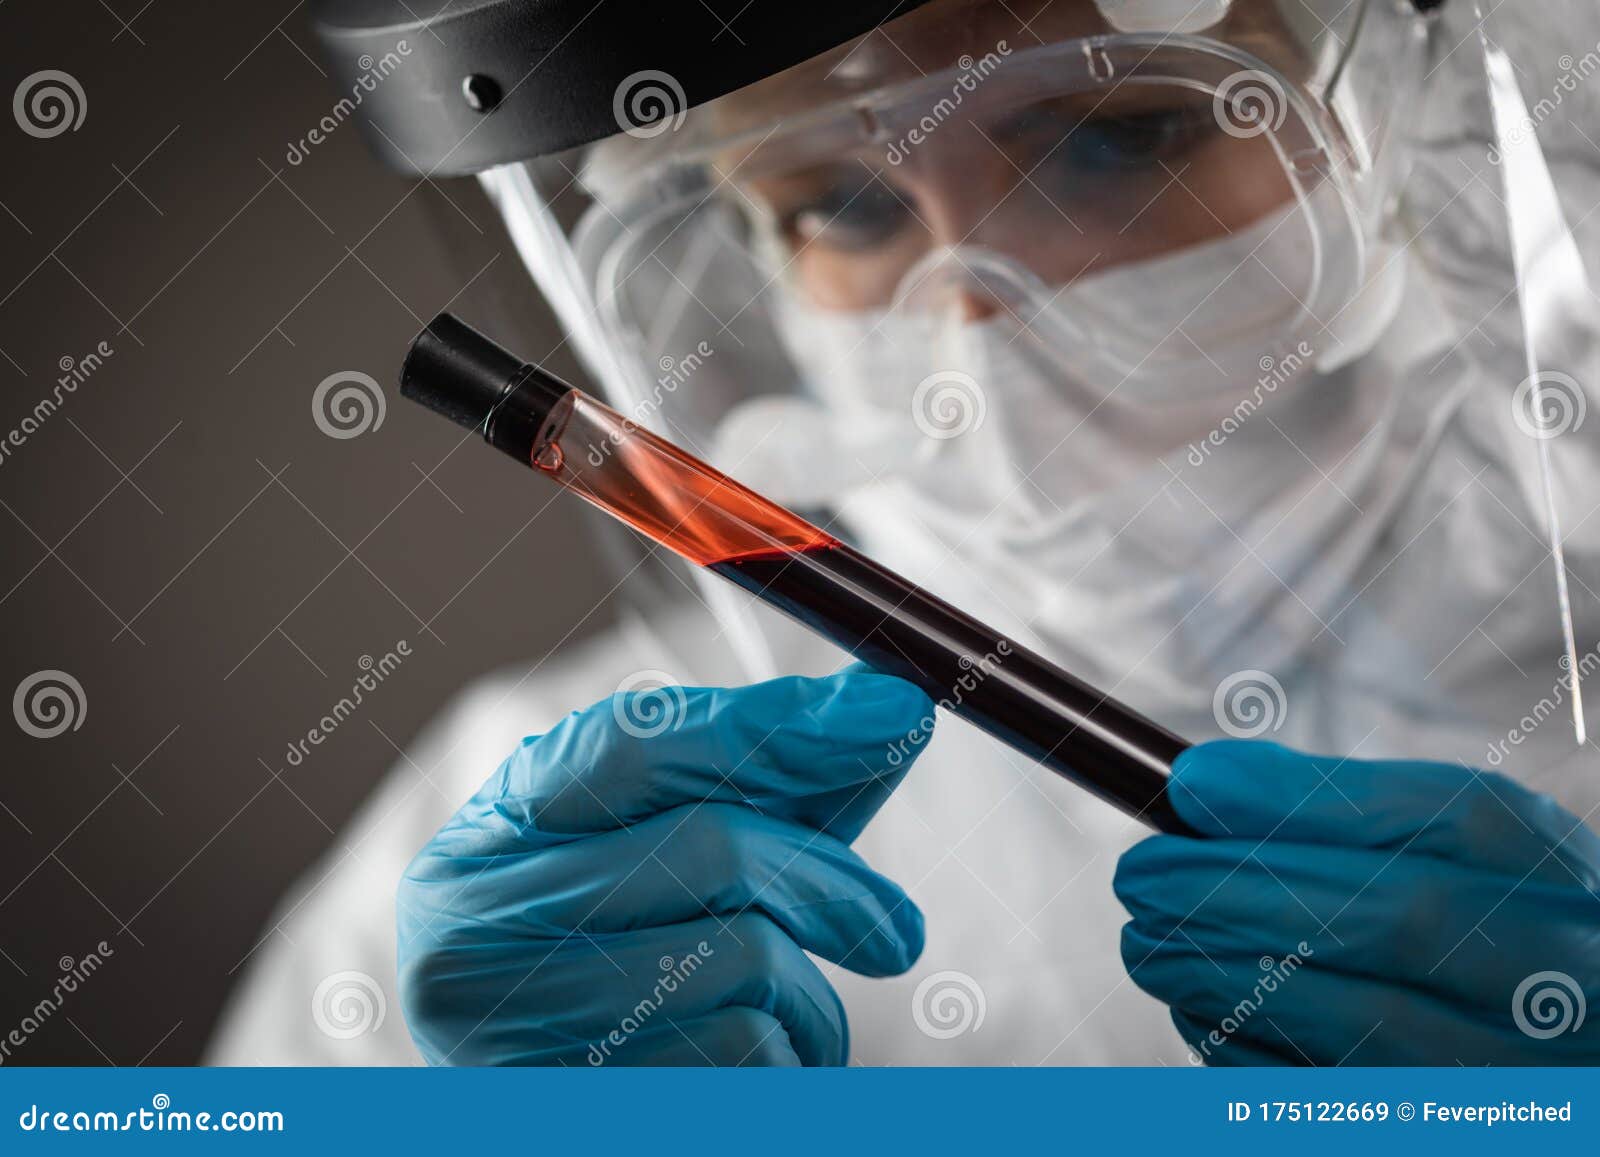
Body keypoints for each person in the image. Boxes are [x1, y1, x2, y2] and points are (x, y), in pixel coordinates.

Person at [211, 0, 1600, 1065]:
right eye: (846, 205)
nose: (975, 328)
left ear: (1425, 126)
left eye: (1121, 135)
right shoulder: (555, 858)